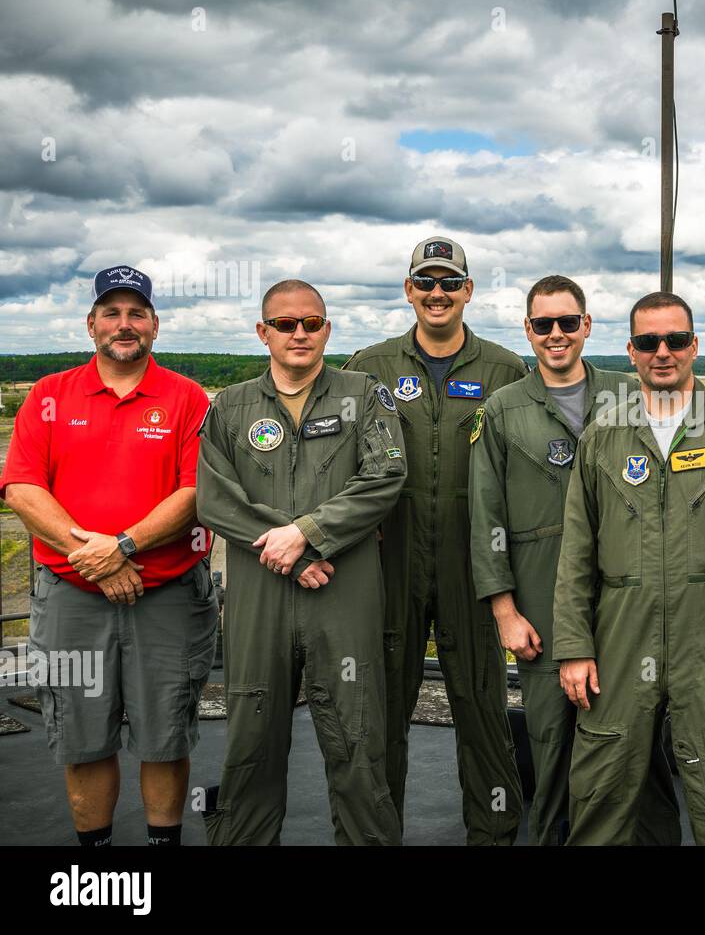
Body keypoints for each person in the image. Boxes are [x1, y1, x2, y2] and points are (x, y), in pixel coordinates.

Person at [552, 291, 705, 846]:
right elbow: (576, 553)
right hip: (620, 635)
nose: (661, 352)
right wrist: (573, 646)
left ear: (696, 345)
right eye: (648, 342)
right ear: (631, 350)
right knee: (603, 788)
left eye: (675, 340)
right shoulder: (602, 436)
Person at [0, 265, 217, 847]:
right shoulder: (49, 396)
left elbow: (197, 493)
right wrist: (95, 555)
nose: (125, 324)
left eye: (137, 313)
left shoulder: (187, 398)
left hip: (167, 595)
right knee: (82, 737)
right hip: (72, 596)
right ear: (91, 324)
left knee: (164, 735)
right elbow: (21, 486)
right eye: (112, 313)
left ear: (154, 325)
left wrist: (123, 545)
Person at [469, 275, 680, 845]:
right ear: (528, 331)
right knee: (552, 744)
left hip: (628, 604)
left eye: (568, 322)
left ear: (587, 326)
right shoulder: (504, 410)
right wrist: (505, 612)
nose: (556, 335)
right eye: (543, 325)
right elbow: (485, 519)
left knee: (644, 745)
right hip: (540, 606)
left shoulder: (630, 392)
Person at [197, 279, 406, 845]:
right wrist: (288, 551)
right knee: (251, 744)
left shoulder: (364, 395)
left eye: (311, 323)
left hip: (344, 593)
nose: (299, 334)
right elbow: (215, 499)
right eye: (285, 324)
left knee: (359, 744)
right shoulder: (231, 406)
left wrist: (307, 534)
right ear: (262, 332)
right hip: (261, 597)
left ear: (327, 330)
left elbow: (384, 477)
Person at [345, 236, 526, 844]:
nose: (438, 293)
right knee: (384, 711)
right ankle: (378, 835)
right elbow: (343, 466)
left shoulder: (504, 370)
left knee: (481, 708)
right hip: (388, 562)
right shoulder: (368, 368)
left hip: (472, 565)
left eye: (450, 282)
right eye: (426, 282)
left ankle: (494, 832)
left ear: (468, 291)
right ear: (409, 290)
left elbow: (519, 473)